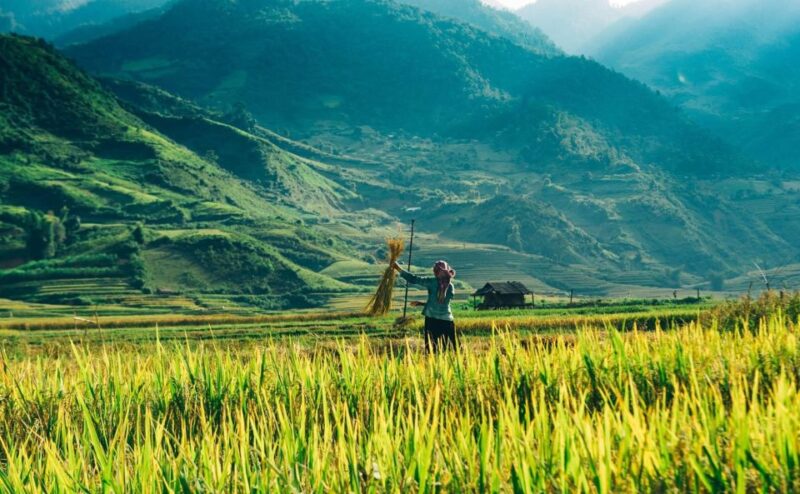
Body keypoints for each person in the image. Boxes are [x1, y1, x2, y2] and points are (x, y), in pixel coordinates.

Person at [392, 259, 457, 352]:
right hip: (447, 322)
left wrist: (398, 268)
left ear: (436, 272)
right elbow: (440, 304)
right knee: (451, 349)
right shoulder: (450, 286)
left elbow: (413, 279)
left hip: (432, 321)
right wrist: (421, 303)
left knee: (432, 349)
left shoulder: (432, 282)